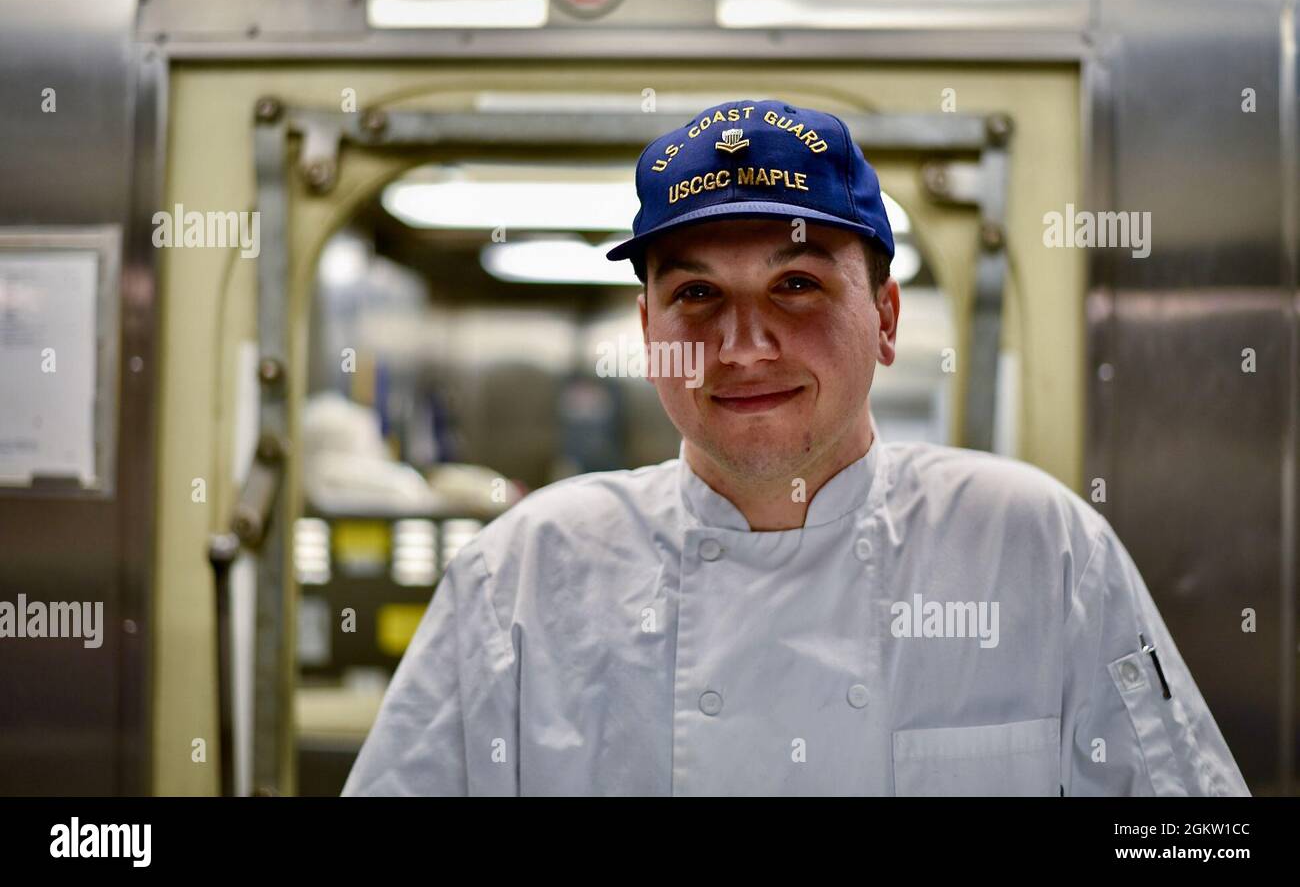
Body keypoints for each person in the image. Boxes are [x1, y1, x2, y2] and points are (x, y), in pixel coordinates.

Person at [342, 98, 1248, 796]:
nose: (742, 346)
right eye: (697, 295)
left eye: (798, 284)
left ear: (885, 319)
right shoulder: (525, 577)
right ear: (648, 326)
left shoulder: (1036, 550)